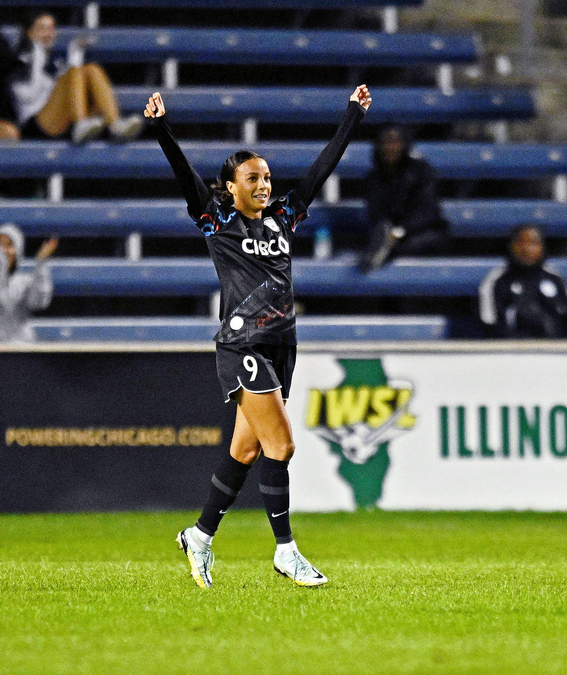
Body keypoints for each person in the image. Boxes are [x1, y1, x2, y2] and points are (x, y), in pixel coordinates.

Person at [146, 84, 371, 588]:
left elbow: (319, 171)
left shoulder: (284, 218)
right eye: (253, 178)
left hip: (282, 344)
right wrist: (161, 130)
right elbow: (185, 177)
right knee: (282, 445)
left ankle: (200, 535)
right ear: (230, 187)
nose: (265, 185)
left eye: (267, 177)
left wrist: (352, 117)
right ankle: (286, 551)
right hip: (242, 345)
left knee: (245, 451)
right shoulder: (217, 219)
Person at [11, 11, 142, 143]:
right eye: (42, 28)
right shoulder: (19, 61)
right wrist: (38, 57)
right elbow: (26, 95)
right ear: (29, 32)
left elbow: (65, 85)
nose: (48, 34)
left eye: (51, 29)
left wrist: (72, 60)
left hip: (63, 120)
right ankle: (80, 123)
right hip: (35, 125)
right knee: (74, 71)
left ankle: (115, 125)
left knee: (92, 69)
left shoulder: (54, 60)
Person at [358, 126, 450, 273]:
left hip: (421, 232)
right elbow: (376, 215)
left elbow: (427, 212)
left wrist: (401, 231)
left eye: (395, 142)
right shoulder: (373, 179)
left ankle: (383, 253)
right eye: (386, 142)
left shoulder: (421, 172)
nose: (390, 147)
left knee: (417, 244)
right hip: (388, 236)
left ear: (404, 144)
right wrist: (387, 232)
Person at [480, 225, 567, 338]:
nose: (526, 249)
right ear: (510, 246)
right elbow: (490, 323)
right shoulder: (497, 281)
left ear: (542, 247)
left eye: (533, 243)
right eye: (520, 243)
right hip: (512, 351)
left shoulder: (556, 279)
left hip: (555, 350)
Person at [0, 223, 56, 342]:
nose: (3, 250)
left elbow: (39, 302)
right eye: (0, 244)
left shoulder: (24, 282)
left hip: (20, 347)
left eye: (9, 245)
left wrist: (40, 264)